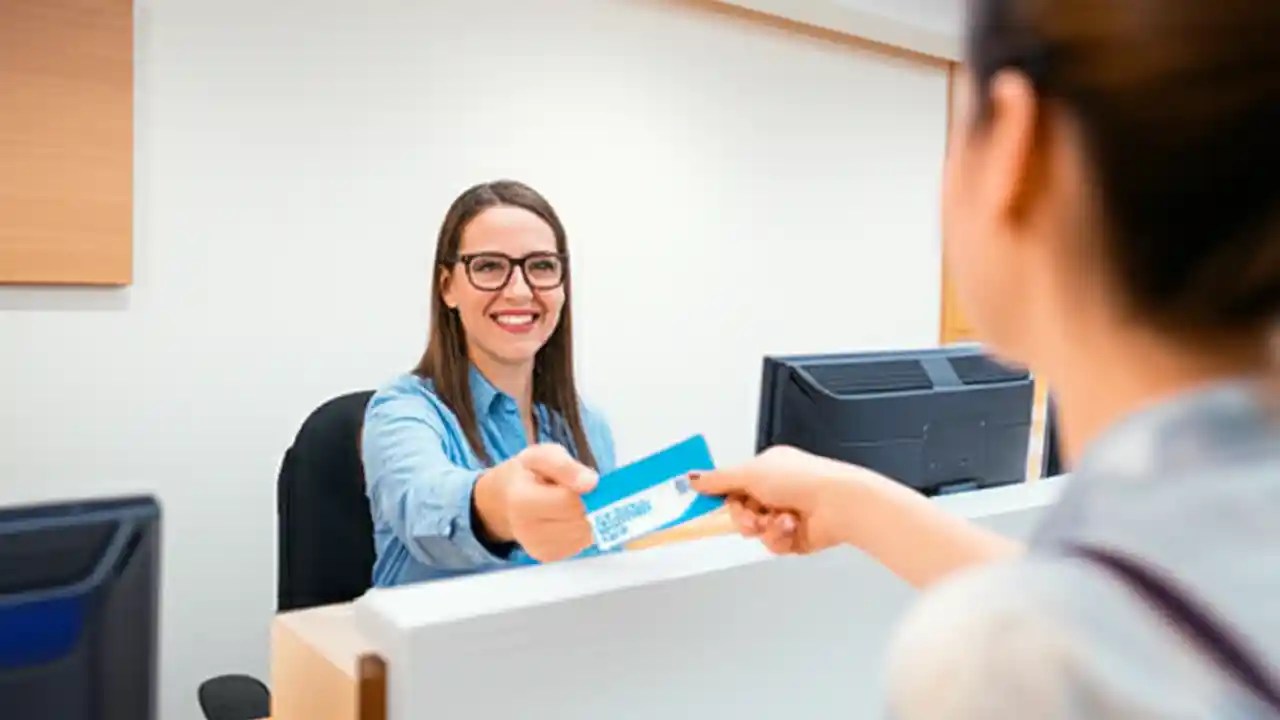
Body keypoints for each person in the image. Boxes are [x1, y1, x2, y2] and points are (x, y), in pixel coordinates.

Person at [693, 0, 1280, 716]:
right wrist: (858, 504)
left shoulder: (1009, 665)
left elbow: (1093, 634)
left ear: (1012, 144)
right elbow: (1154, 618)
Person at [362, 180, 616, 587]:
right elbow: (423, 507)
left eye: (542, 266)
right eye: (488, 266)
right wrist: (499, 504)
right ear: (448, 287)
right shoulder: (401, 411)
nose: (519, 290)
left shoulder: (588, 426)